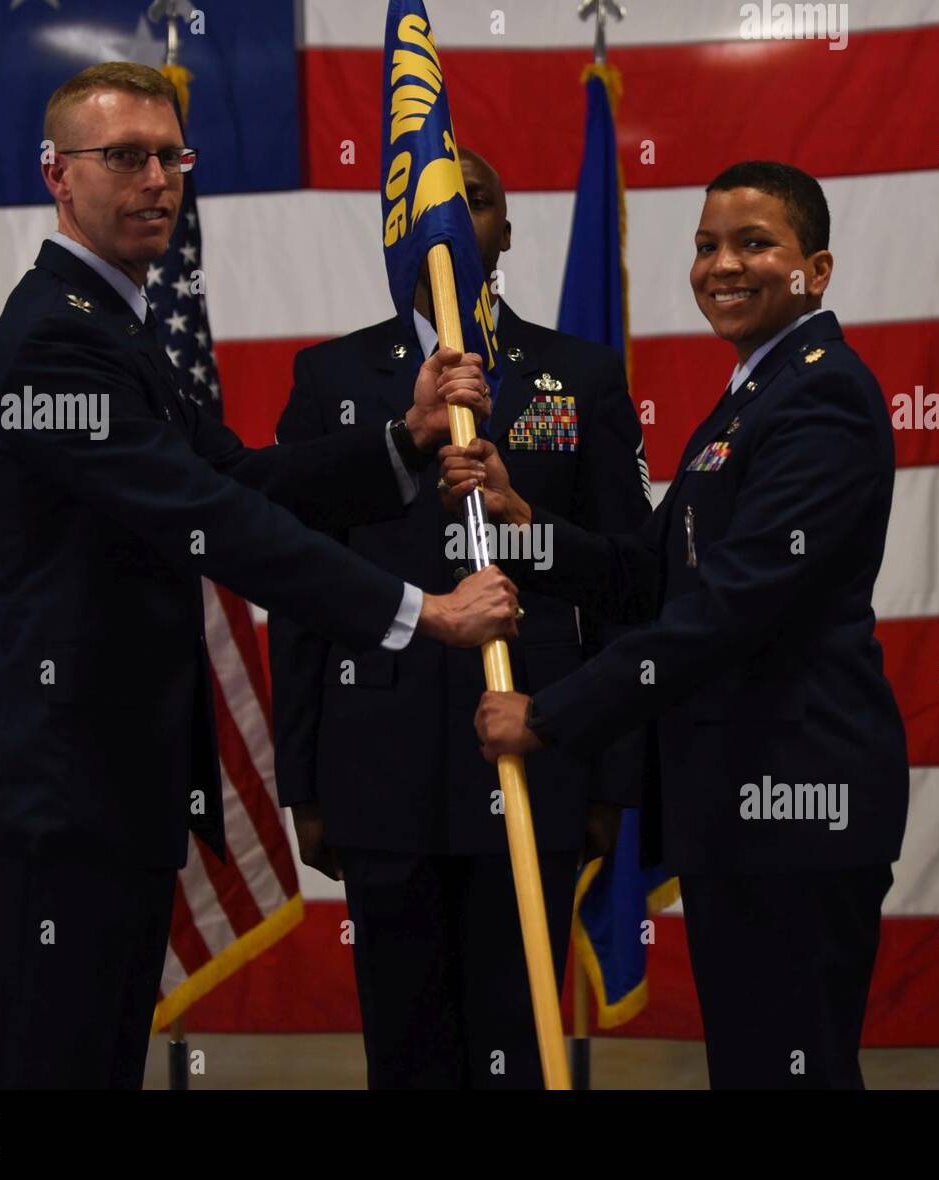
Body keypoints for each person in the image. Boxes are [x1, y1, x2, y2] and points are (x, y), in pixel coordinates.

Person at [0, 62, 518, 1090]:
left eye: (172, 157)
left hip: (104, 793)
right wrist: (422, 612)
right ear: (56, 174)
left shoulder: (115, 325)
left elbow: (242, 478)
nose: (157, 179)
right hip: (57, 797)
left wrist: (404, 436)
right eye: (125, 156)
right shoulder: (56, 340)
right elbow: (214, 521)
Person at [446, 161, 910, 1089]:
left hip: (795, 797)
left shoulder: (821, 395)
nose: (721, 266)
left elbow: (727, 610)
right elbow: (653, 575)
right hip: (737, 802)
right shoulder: (751, 395)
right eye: (706, 245)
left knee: (791, 1073)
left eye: (753, 243)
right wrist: (523, 524)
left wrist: (548, 716)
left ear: (816, 269)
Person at [268, 148, 651, 1088]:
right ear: (395, 233)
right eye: (425, 205)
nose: (449, 222)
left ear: (504, 232)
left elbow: (627, 588)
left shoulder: (579, 376)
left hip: (536, 754)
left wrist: (611, 776)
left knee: (518, 1044)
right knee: (408, 1053)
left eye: (473, 201)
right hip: (378, 764)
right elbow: (300, 588)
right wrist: (304, 781)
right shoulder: (329, 377)